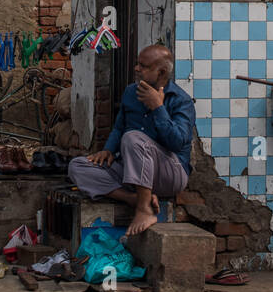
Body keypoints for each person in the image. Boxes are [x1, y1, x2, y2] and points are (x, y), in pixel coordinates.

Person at [68, 44, 195, 235]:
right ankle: (132, 198)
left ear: (161, 72)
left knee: (133, 138)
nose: (136, 69)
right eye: (137, 64)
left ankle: (144, 209)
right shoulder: (130, 92)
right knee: (77, 166)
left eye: (143, 66)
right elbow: (119, 127)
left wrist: (158, 108)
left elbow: (177, 143)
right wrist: (108, 150)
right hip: (133, 171)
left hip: (170, 173)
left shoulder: (181, 100)